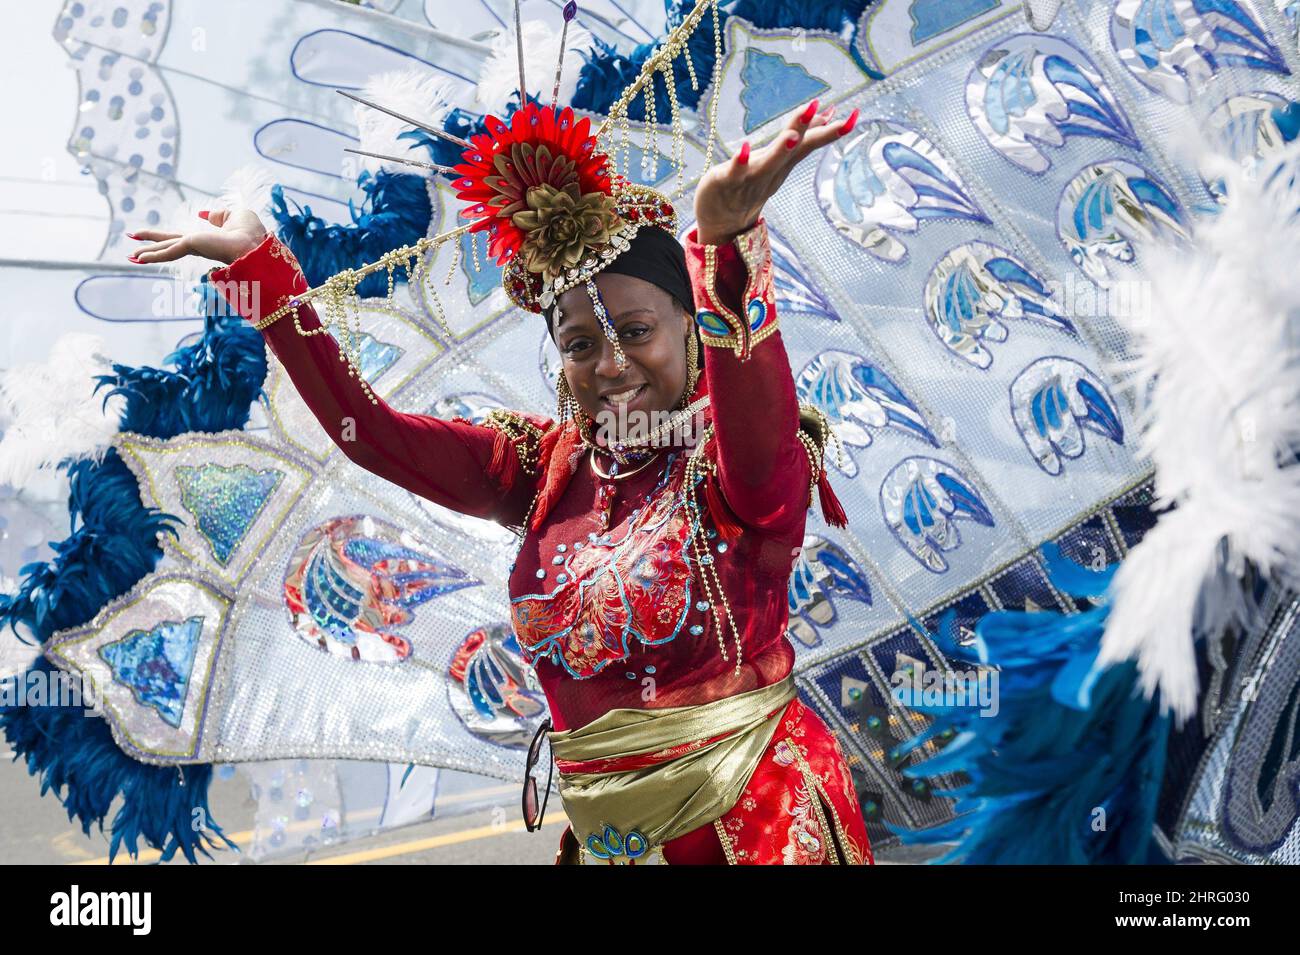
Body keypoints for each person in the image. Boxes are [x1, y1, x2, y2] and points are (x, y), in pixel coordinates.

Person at [125, 95, 873, 866]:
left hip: (756, 831)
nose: (611, 364)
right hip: (613, 844)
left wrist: (726, 238)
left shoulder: (737, 467)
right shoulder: (546, 470)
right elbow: (370, 435)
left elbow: (756, 404)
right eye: (581, 343)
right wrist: (260, 272)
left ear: (692, 326)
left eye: (638, 331)